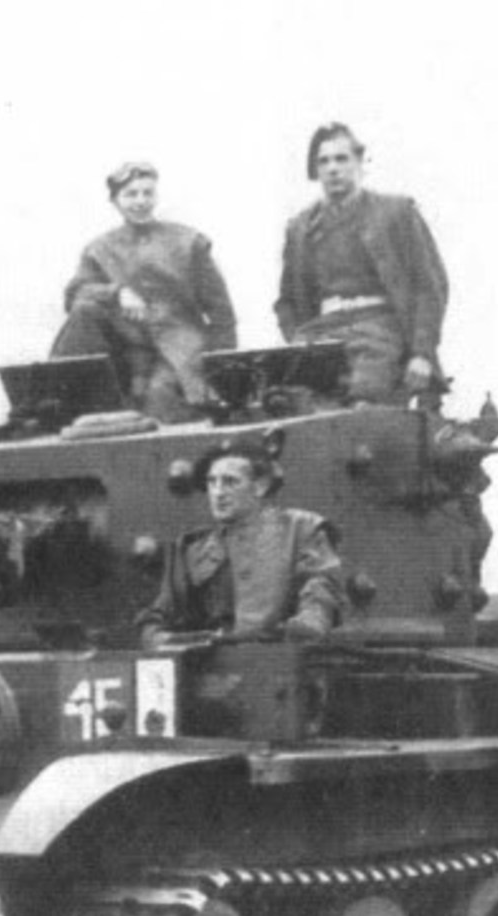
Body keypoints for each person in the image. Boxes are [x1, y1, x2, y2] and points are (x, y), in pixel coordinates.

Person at [275, 122, 450, 406]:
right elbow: (287, 301)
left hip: (381, 331)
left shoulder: (396, 213)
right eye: (323, 161)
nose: (333, 169)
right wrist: (296, 339)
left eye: (341, 159)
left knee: (365, 402)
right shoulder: (301, 228)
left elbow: (429, 287)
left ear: (360, 163)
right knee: (287, 401)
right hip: (322, 333)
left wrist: (422, 353)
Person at [50, 162, 237, 423]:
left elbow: (222, 312)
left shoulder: (189, 242)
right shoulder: (99, 249)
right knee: (85, 312)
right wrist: (117, 292)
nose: (140, 201)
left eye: (147, 193)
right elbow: (76, 295)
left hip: (180, 348)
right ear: (115, 201)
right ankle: (52, 398)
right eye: (131, 194)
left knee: (159, 404)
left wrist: (222, 371)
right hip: (128, 347)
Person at [138, 439, 345, 648]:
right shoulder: (193, 549)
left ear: (260, 486)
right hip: (212, 660)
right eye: (212, 482)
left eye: (230, 482)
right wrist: (156, 636)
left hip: (281, 654)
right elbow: (161, 614)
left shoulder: (300, 529)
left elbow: (321, 589)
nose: (218, 493)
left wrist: (308, 623)